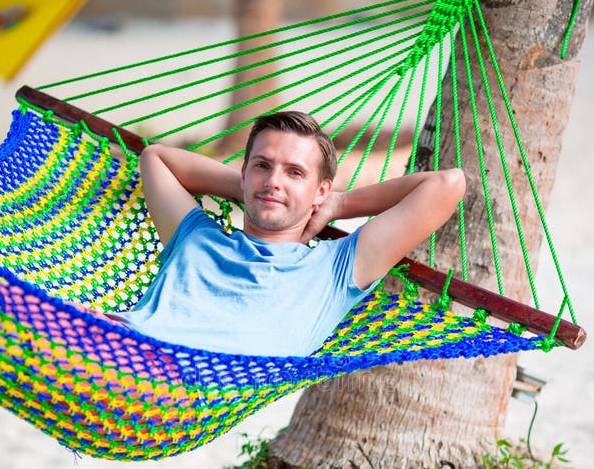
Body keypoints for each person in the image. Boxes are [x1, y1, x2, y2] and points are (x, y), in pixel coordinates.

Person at [108, 111, 465, 357]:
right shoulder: (195, 238)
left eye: (294, 173)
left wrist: (339, 204)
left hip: (175, 388)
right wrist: (258, 190)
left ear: (321, 190)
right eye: (262, 166)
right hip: (112, 348)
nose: (274, 180)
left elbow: (448, 184)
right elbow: (156, 158)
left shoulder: (335, 270)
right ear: (244, 173)